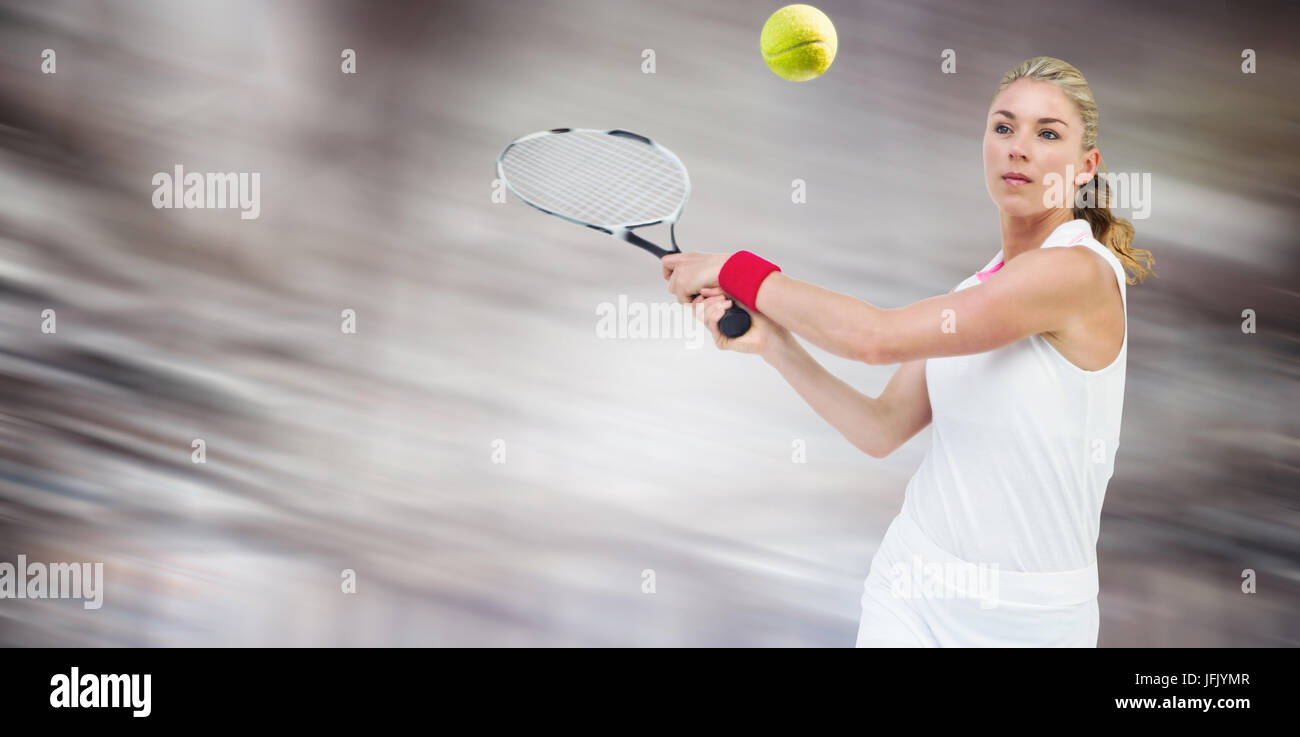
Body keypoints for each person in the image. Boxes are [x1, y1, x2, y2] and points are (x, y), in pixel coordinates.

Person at [662, 56, 1156, 647]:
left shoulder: (1075, 273)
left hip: (1035, 619)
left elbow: (874, 338)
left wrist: (734, 269)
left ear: (1085, 167)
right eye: (1003, 127)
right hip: (913, 586)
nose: (1018, 148)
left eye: (1047, 133)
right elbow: (881, 428)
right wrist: (774, 344)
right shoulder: (971, 297)